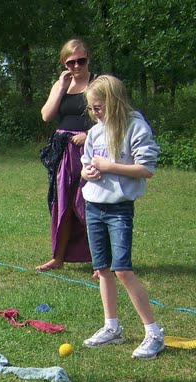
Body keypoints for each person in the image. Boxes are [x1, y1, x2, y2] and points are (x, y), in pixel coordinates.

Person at [80, 75, 163, 359]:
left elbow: (146, 168)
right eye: (91, 108)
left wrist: (110, 166)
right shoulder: (95, 132)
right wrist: (87, 172)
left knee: (122, 269)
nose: (95, 113)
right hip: (93, 205)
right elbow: (85, 165)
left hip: (118, 208)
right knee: (102, 269)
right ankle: (112, 327)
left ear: (114, 102)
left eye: (99, 107)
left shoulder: (135, 127)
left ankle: (154, 332)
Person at [37, 38, 94, 271]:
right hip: (64, 150)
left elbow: (112, 119)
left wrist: (90, 137)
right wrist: (60, 87)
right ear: (64, 63)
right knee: (64, 203)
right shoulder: (61, 84)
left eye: (81, 61)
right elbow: (46, 116)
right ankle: (58, 258)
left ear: (88, 59)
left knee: (89, 203)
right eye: (71, 62)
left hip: (91, 150)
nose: (77, 67)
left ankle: (100, 262)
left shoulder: (98, 83)